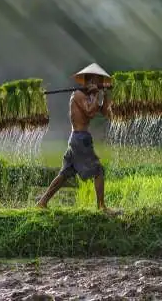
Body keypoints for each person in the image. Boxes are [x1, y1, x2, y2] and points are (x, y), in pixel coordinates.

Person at [36, 63, 114, 212]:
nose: (99, 83)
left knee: (65, 174)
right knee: (98, 170)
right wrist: (97, 94)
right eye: (97, 80)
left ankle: (42, 201)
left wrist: (105, 96)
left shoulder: (91, 96)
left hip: (77, 139)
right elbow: (90, 112)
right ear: (90, 81)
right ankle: (101, 206)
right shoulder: (78, 95)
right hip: (80, 139)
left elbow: (105, 113)